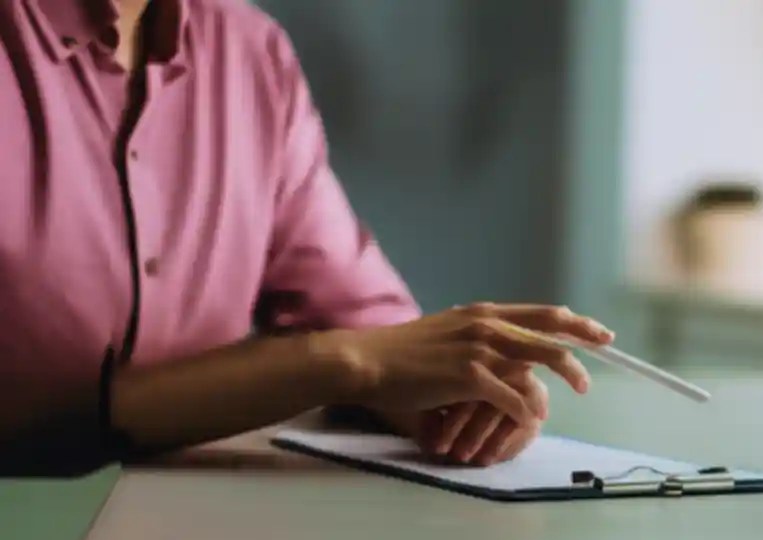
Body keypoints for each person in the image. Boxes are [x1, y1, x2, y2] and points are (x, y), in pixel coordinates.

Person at [0, 0, 611, 473]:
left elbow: (361, 322)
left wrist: (446, 393)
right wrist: (334, 364)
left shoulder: (248, 51)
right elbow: (356, 354)